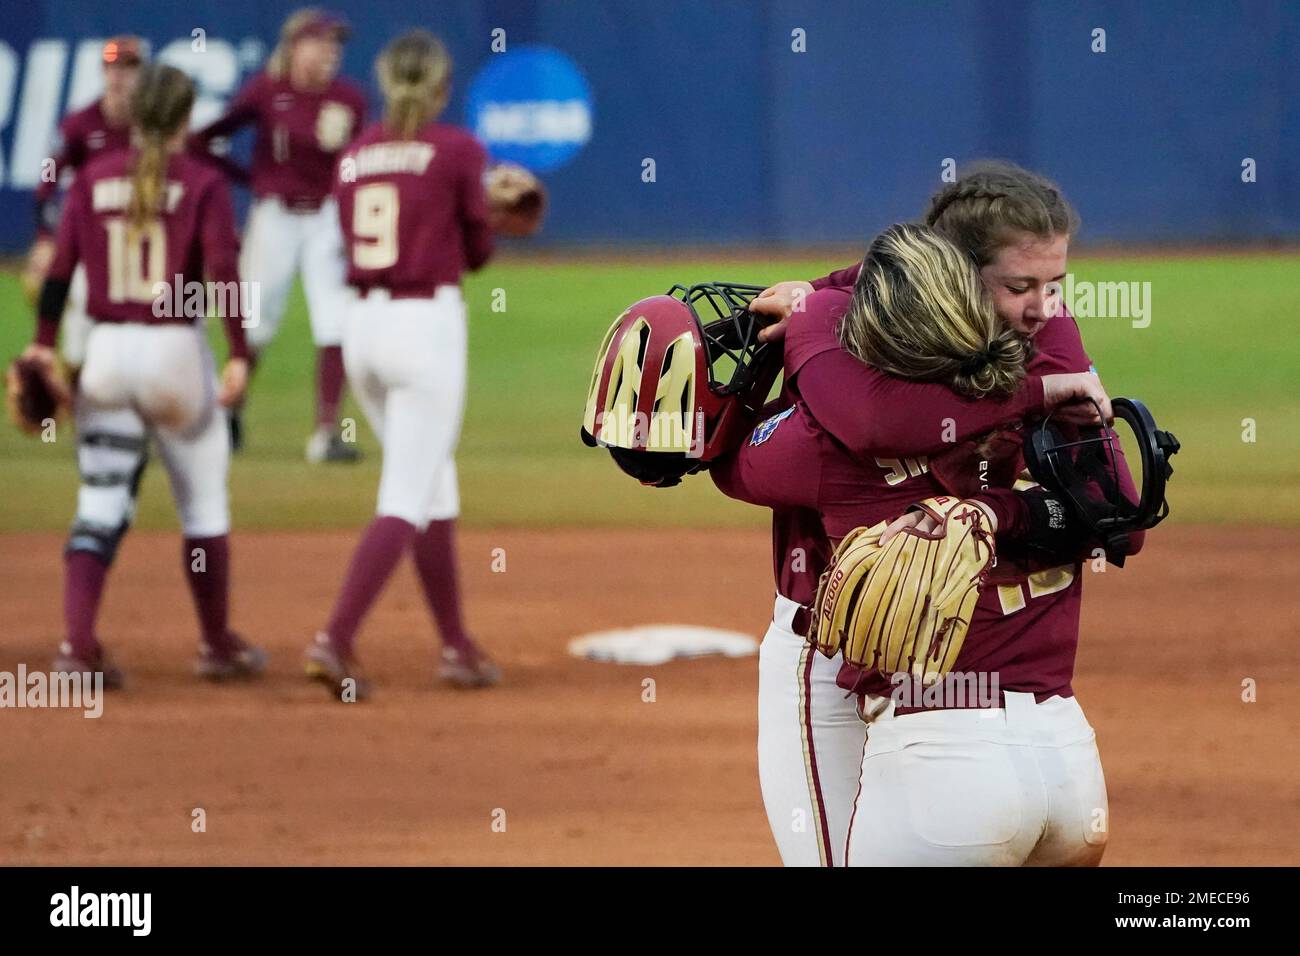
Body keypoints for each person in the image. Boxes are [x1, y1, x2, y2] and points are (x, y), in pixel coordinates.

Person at [726, 162, 1127, 865]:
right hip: (1059, 747)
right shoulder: (1043, 378)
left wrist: (802, 333)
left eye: (1054, 286)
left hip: (925, 734)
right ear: (950, 272)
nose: (1044, 308)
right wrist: (1009, 493)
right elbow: (1119, 515)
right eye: (1021, 285)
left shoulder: (833, 412)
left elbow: (833, 432)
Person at [25, 64, 264, 687]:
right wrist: (240, 352)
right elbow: (222, 272)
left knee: (99, 504)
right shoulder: (203, 181)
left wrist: (43, 346)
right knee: (204, 507)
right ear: (187, 118)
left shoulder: (93, 177)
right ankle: (215, 645)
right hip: (174, 353)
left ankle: (78, 650)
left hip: (103, 354)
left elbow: (58, 273)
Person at [303, 29, 500, 701]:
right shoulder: (457, 149)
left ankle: (456, 646)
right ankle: (334, 638)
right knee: (405, 495)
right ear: (443, 88)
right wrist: (496, 215)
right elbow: (477, 252)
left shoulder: (356, 153)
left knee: (429, 484)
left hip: (361, 328)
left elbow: (335, 243)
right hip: (424, 327)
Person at [191, 8, 366, 460]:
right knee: (253, 322)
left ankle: (326, 433)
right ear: (295, 46)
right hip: (276, 218)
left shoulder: (348, 98)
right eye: (322, 41)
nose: (331, 51)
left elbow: (363, 163)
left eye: (336, 44)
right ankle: (228, 414)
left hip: (327, 217)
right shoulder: (268, 90)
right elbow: (204, 139)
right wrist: (251, 179)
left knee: (336, 321)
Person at [25, 36, 144, 374]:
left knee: (144, 329)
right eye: (112, 67)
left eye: (128, 67)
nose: (119, 75)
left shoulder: (151, 126)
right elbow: (48, 179)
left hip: (138, 241)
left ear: (140, 74)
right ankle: (84, 415)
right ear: (103, 72)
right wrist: (45, 238)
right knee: (80, 335)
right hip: (90, 241)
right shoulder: (79, 124)